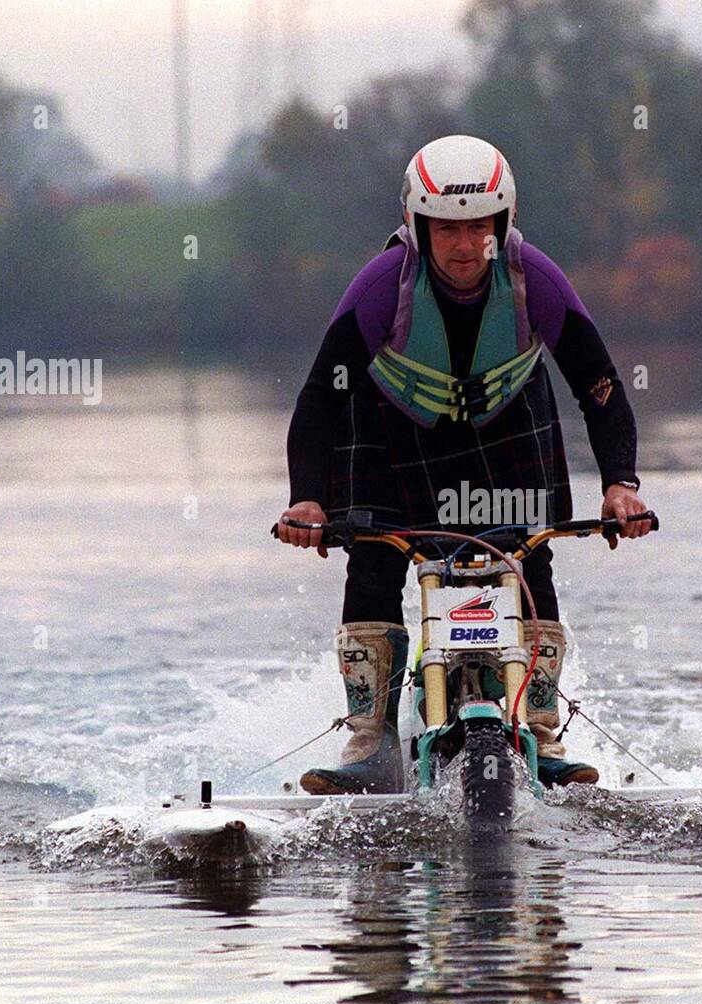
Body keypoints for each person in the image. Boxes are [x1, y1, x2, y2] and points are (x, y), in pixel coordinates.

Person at [275, 134, 652, 795]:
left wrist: (622, 483)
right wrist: (307, 497)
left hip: (508, 431)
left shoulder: (538, 280)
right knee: (374, 560)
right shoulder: (378, 288)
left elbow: (600, 387)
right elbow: (319, 398)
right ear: (417, 226)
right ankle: (370, 743)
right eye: (446, 228)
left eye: (479, 226)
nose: (463, 245)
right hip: (389, 432)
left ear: (502, 224)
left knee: (530, 558)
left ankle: (538, 728)